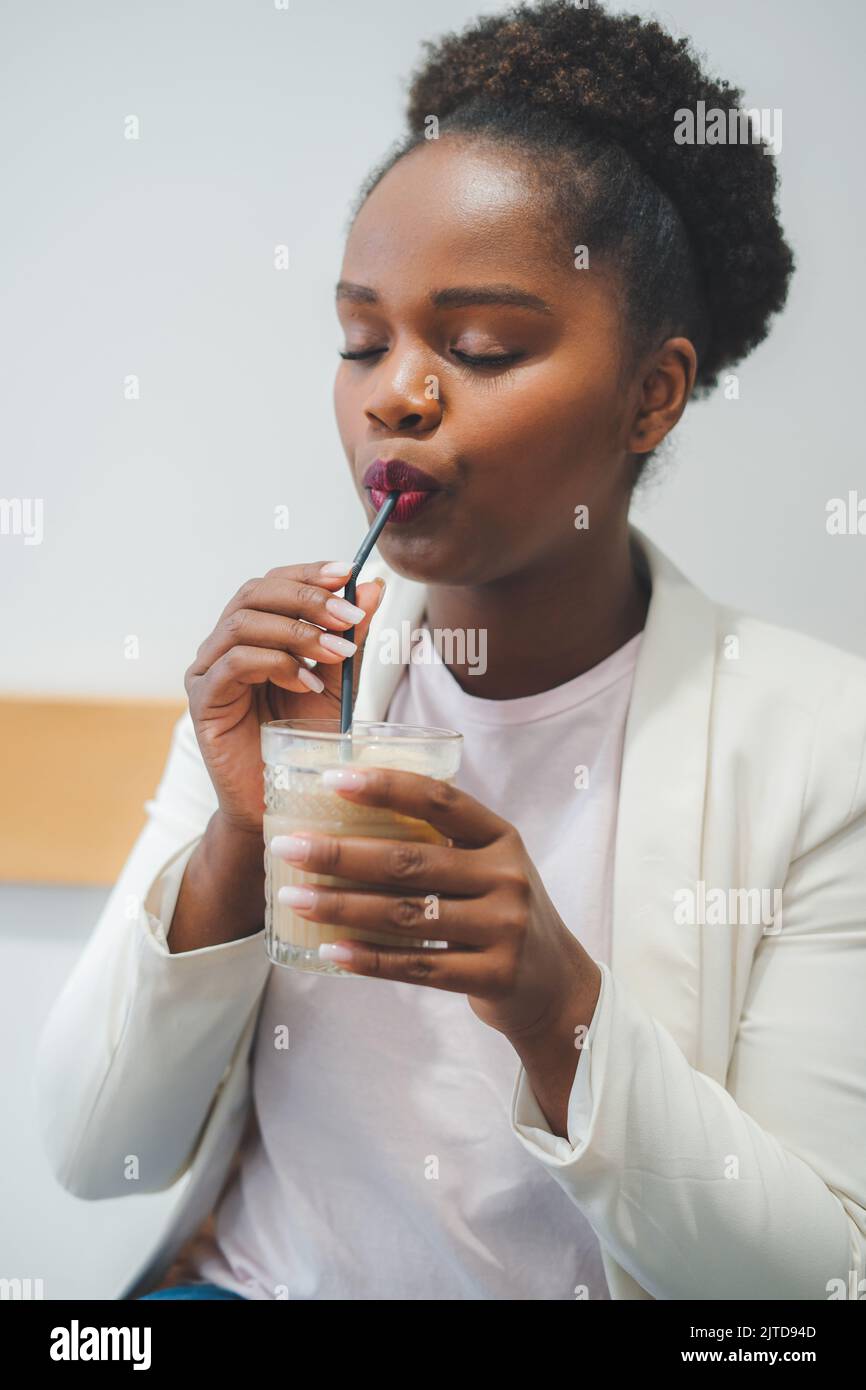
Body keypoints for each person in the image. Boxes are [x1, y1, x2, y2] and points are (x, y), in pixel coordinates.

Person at [35, 0, 866, 1302]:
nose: (395, 393)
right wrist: (236, 845)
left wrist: (556, 1007)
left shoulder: (821, 748)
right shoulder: (292, 681)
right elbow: (95, 1151)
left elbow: (810, 1287)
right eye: (361, 339)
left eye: (477, 346)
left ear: (651, 393)